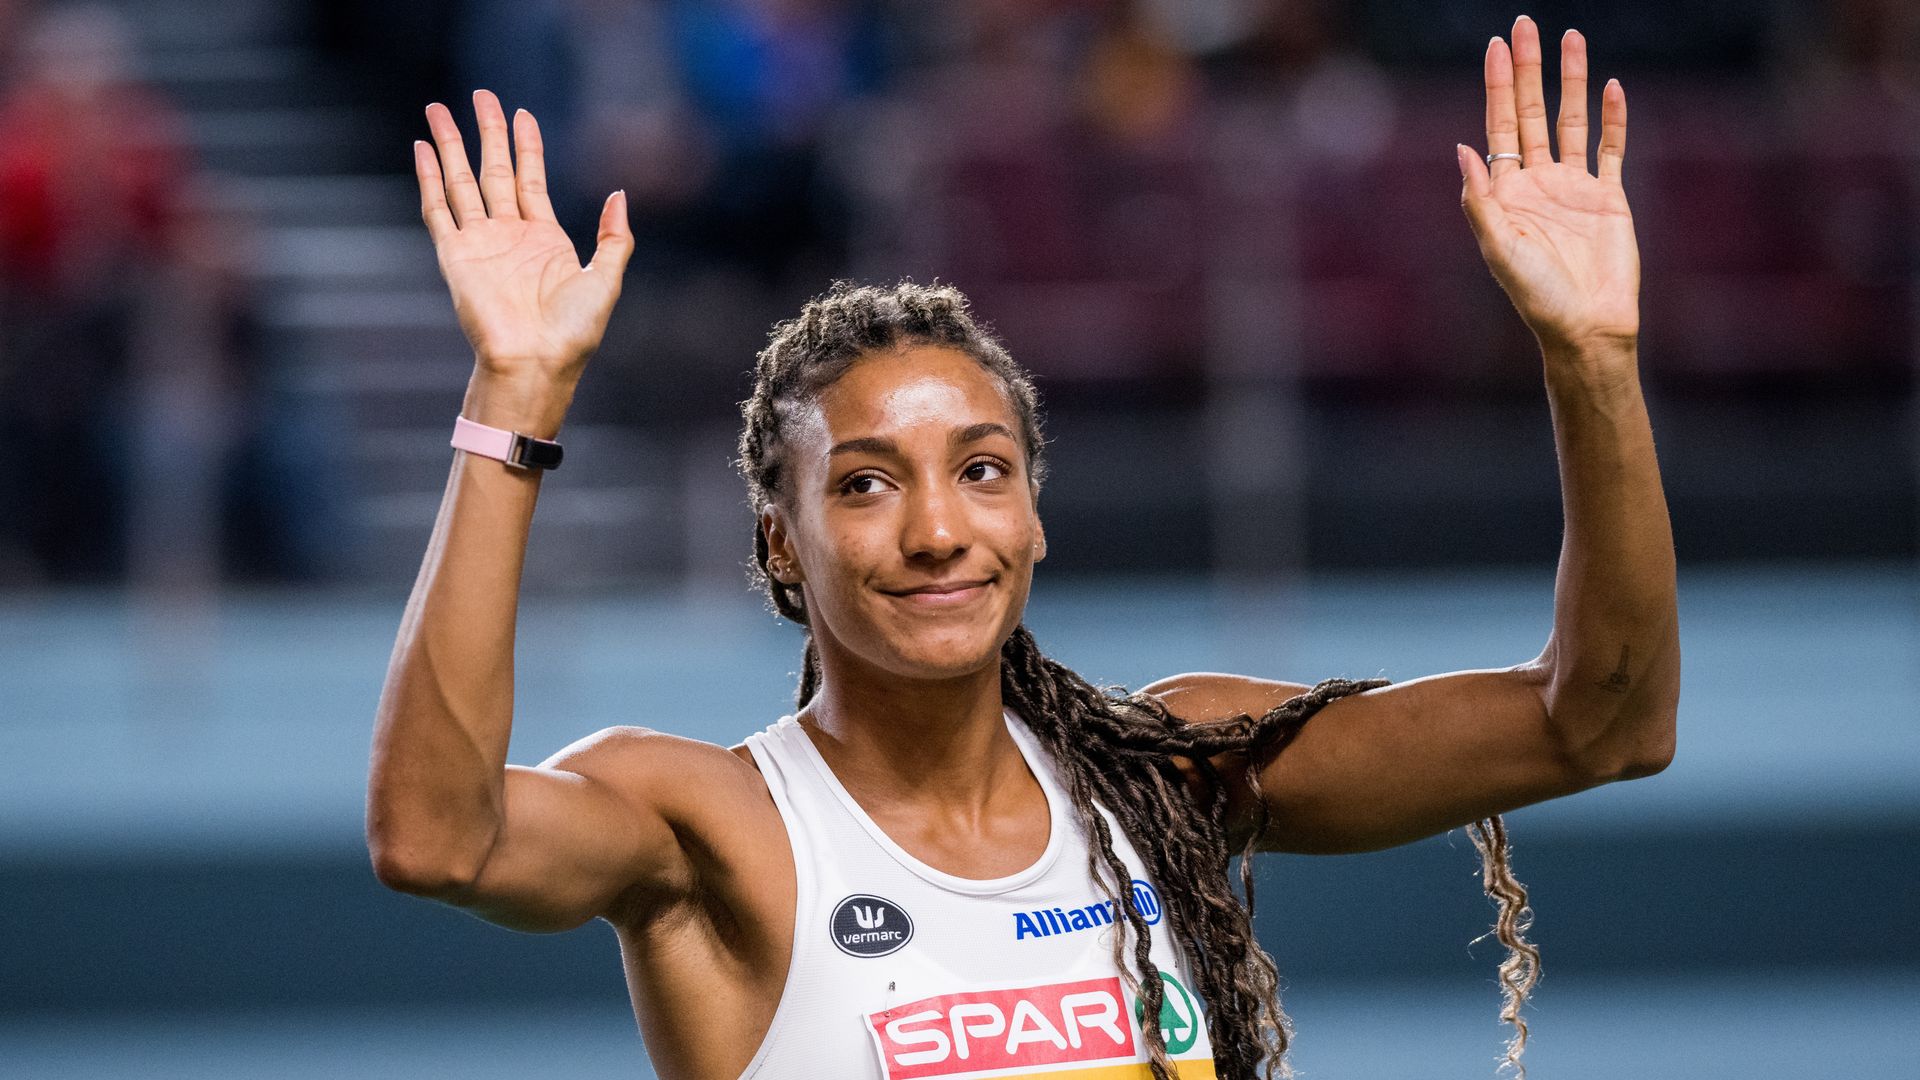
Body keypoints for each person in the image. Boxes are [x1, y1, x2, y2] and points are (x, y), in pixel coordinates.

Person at [366, 14, 1677, 1080]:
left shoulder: (1170, 774)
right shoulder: (708, 824)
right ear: (783, 541)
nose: (940, 531)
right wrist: (517, 397)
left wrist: (1593, 361)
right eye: (869, 485)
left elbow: (1602, 722)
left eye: (981, 472)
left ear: (1033, 516)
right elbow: (437, 840)